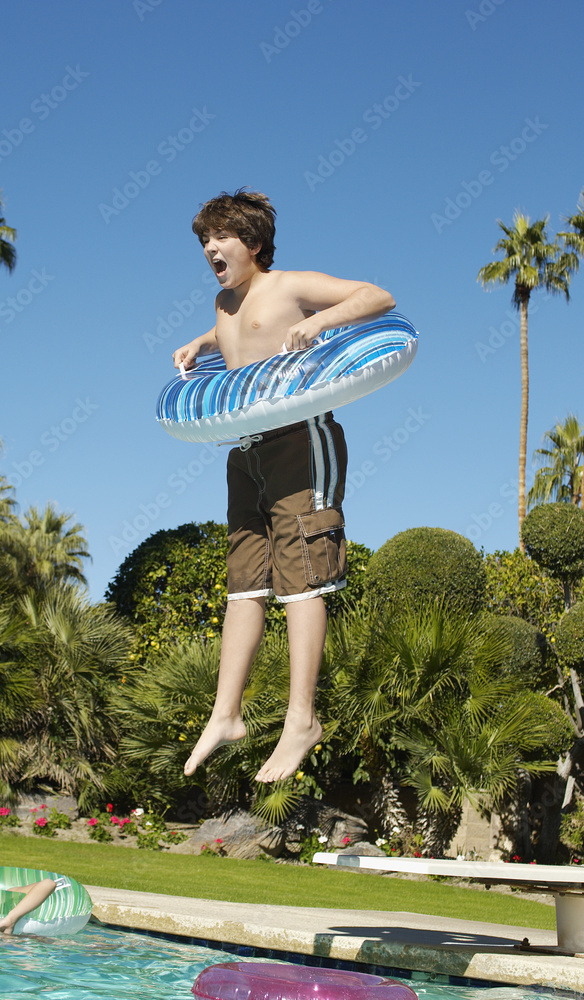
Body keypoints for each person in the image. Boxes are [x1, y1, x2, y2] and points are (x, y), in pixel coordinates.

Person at [172, 189, 395, 783]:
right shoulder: (224, 303)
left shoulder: (290, 285)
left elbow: (376, 295)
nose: (209, 248)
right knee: (244, 587)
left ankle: (302, 719)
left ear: (253, 243)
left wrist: (321, 322)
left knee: (300, 582)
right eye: (203, 241)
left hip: (300, 439)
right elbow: (243, 338)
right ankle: (227, 713)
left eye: (219, 237)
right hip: (246, 453)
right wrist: (202, 343)